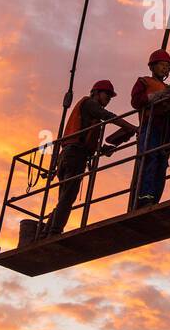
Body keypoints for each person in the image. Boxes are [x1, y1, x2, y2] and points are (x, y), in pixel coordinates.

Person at [47, 80, 135, 236]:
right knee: (68, 196)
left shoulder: (88, 112)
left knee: (65, 196)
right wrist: (133, 128)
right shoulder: (90, 104)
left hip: (69, 155)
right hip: (74, 155)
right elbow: (109, 116)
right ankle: (54, 231)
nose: (108, 99)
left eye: (110, 97)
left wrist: (101, 149)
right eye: (106, 95)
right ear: (95, 93)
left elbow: (85, 136)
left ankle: (46, 230)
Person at [131, 49, 170, 207]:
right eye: (162, 65)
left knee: (162, 164)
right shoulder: (144, 82)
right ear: (152, 67)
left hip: (165, 130)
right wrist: (160, 95)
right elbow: (136, 102)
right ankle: (144, 198)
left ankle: (154, 199)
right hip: (150, 127)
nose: (165, 68)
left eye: (167, 66)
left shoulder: (169, 90)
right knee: (151, 158)